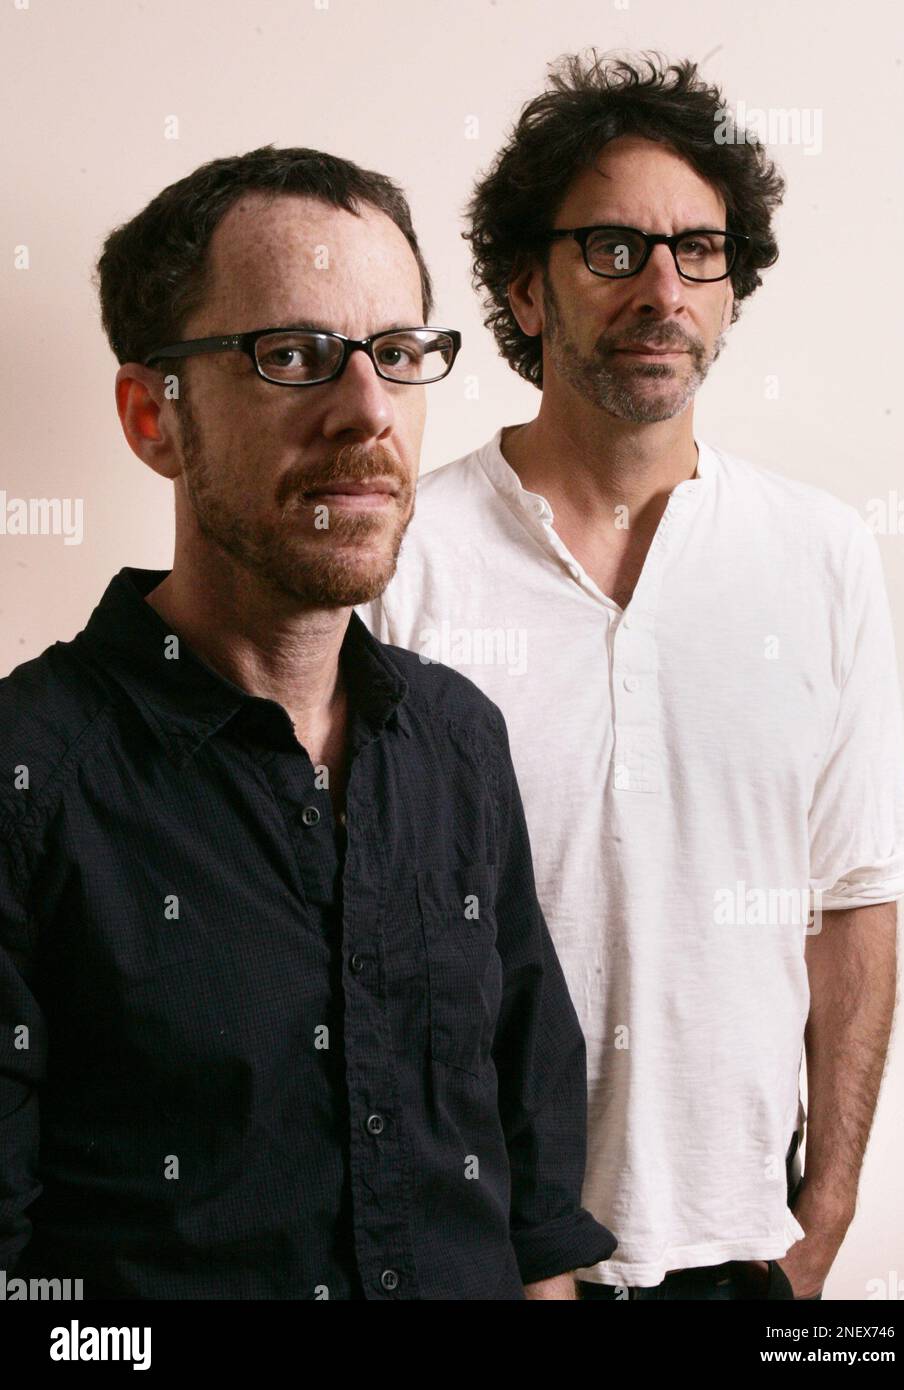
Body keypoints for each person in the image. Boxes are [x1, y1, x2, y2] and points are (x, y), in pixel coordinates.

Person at [0, 146, 617, 1300]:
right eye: (291, 356)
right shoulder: (30, 774)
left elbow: (534, 1213)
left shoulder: (458, 741)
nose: (369, 413)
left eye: (397, 354)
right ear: (153, 416)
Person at [357, 52, 904, 1300]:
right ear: (526, 286)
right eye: (613, 248)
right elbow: (367, 940)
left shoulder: (820, 554)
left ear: (731, 290)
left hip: (740, 1249)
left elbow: (854, 904)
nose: (662, 288)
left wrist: (818, 1224)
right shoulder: (407, 556)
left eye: (700, 252)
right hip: (477, 1242)